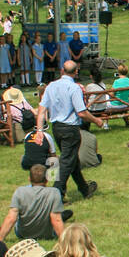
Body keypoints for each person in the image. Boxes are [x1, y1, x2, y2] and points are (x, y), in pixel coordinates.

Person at [37, 60, 101, 205]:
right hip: (70, 129)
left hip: (57, 128)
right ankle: (56, 195)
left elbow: (41, 111)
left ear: (61, 71)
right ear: (76, 72)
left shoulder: (51, 86)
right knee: (66, 162)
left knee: (71, 160)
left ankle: (84, 189)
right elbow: (82, 112)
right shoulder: (74, 88)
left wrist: (40, 130)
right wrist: (96, 120)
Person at [0, 165, 69, 241]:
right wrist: (65, 242)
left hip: (23, 234)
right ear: (47, 180)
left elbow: (11, 218)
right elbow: (56, 219)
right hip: (48, 234)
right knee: (59, 215)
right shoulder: (54, 192)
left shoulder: (20, 192)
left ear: (29, 179)